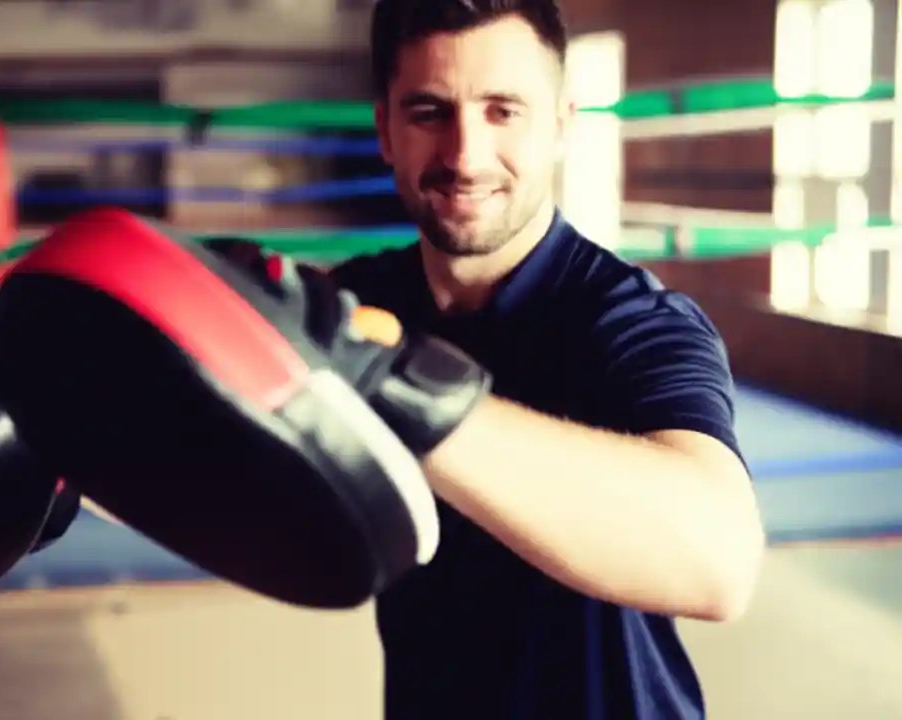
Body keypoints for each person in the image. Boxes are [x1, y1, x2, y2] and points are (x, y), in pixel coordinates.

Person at [325, 0, 767, 717]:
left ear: (560, 125)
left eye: (503, 111)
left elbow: (721, 564)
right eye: (430, 112)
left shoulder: (631, 322)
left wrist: (396, 390)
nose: (465, 155)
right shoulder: (356, 306)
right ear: (385, 130)